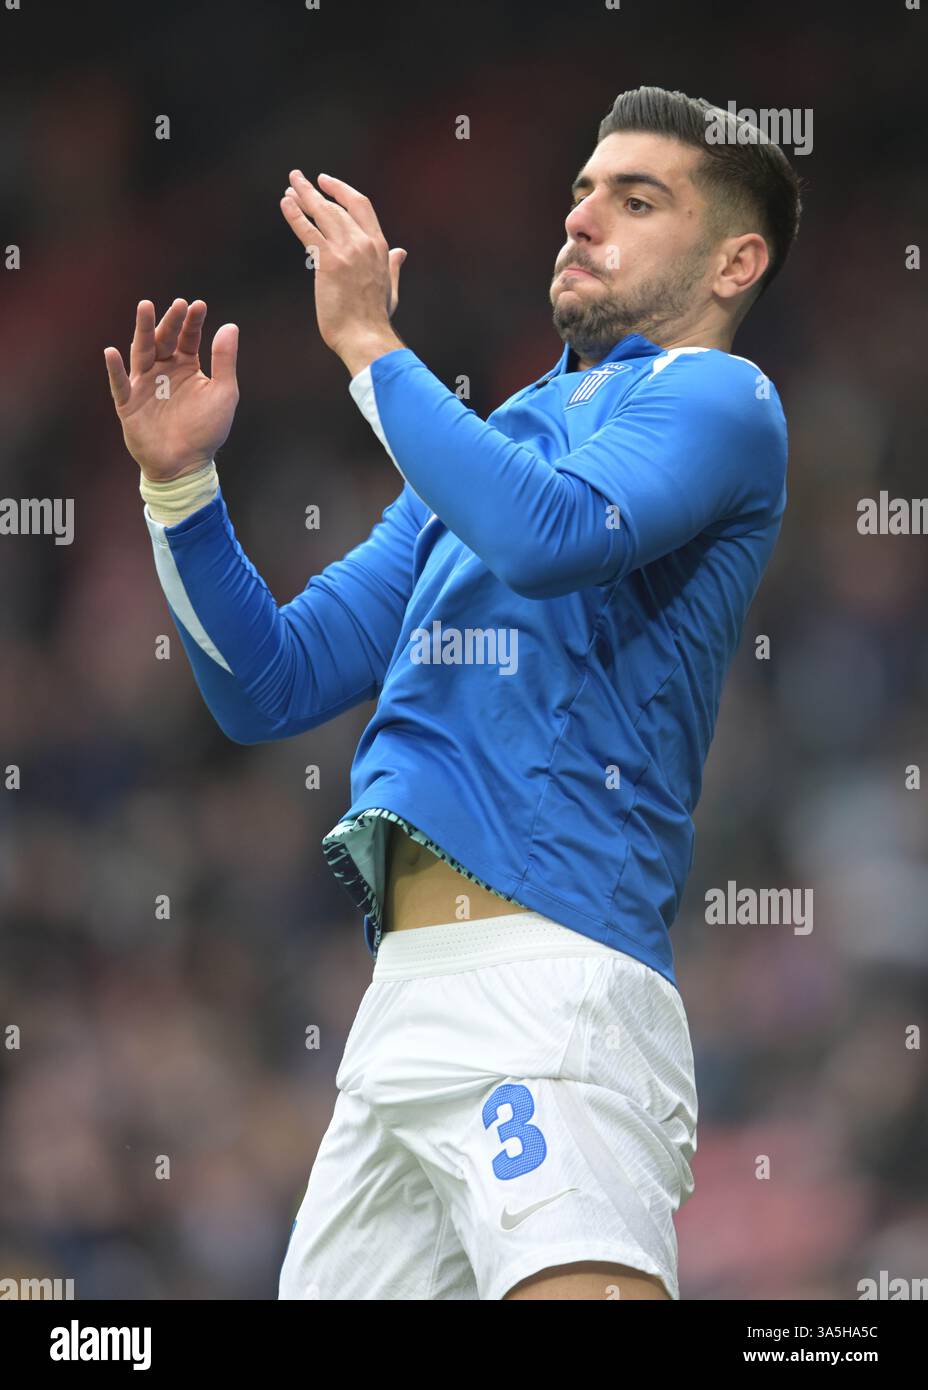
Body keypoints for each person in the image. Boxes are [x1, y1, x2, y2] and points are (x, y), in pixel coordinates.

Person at [104, 85, 801, 1301]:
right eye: (583, 189)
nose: (583, 218)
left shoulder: (719, 402)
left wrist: (373, 347)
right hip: (399, 1017)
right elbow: (273, 681)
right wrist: (180, 491)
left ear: (734, 260)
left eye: (638, 200)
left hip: (552, 976)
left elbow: (553, 536)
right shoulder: (485, 453)